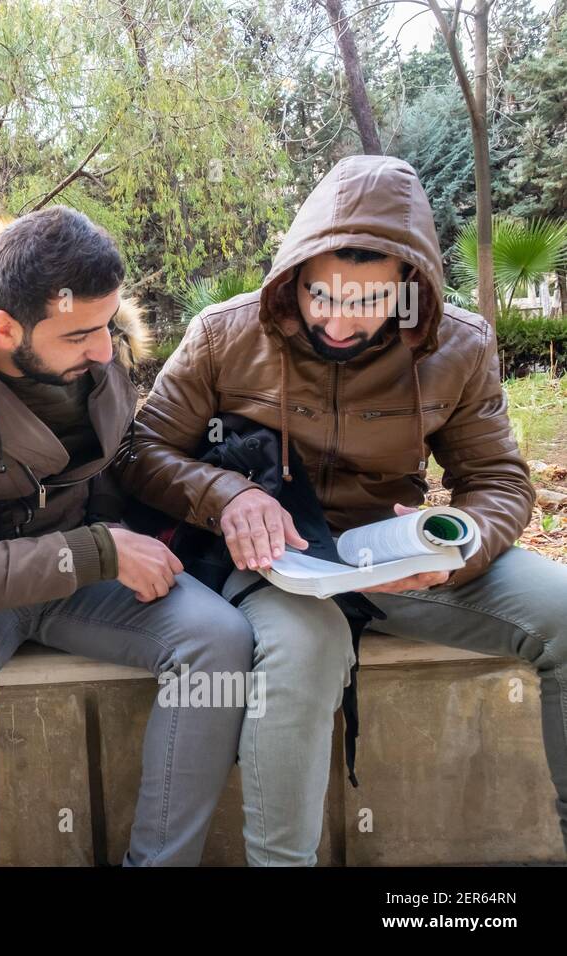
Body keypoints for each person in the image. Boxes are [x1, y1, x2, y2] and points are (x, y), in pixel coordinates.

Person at [125, 154, 567, 864]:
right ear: (293, 276)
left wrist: (457, 548)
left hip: (391, 559)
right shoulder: (223, 333)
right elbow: (141, 454)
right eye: (320, 295)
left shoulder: (461, 343)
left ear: (409, 287)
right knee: (308, 646)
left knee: (565, 611)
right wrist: (227, 494)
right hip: (268, 562)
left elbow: (500, 481)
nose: (337, 319)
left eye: (367, 302)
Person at [0, 207, 257, 866]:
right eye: (80, 335)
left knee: (218, 638)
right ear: (3, 328)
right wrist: (101, 551)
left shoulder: (98, 350)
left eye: (108, 326)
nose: (106, 351)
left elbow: (120, 469)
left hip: (84, 571)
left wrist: (230, 498)